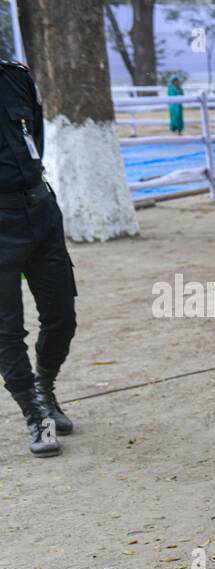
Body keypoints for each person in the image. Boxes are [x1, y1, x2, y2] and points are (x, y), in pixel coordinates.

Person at [0, 57, 77, 457]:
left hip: (39, 209)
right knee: (6, 331)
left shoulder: (14, 77)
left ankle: (45, 386)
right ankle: (35, 414)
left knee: (63, 315)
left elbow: (36, 141)